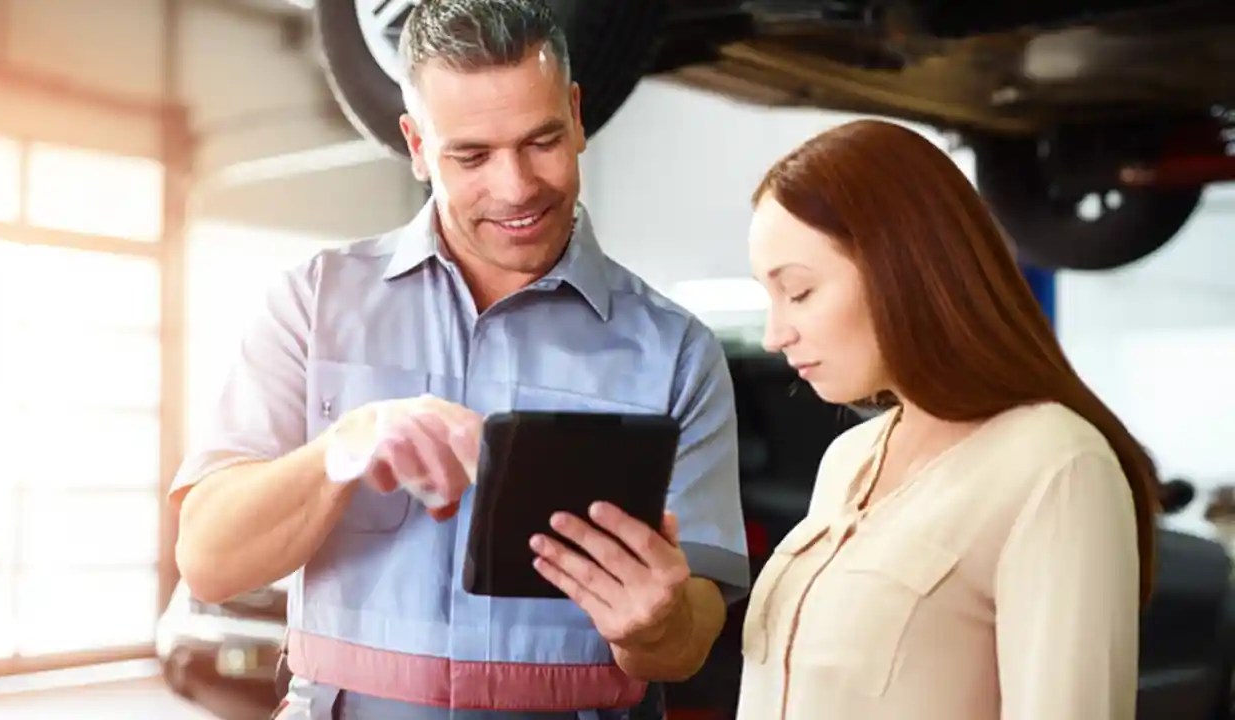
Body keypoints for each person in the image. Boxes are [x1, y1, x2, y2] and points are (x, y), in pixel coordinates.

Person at [169, 1, 749, 718]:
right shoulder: (313, 304)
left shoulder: (676, 353)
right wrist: (342, 449)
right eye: (471, 156)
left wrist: (657, 626)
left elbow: (690, 640)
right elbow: (209, 561)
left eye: (541, 141)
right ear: (415, 143)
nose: (515, 188)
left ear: (575, 114)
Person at [737, 119, 1156, 720]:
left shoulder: (1054, 465)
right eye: (769, 297)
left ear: (900, 267)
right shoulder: (848, 460)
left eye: (799, 292)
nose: (775, 335)